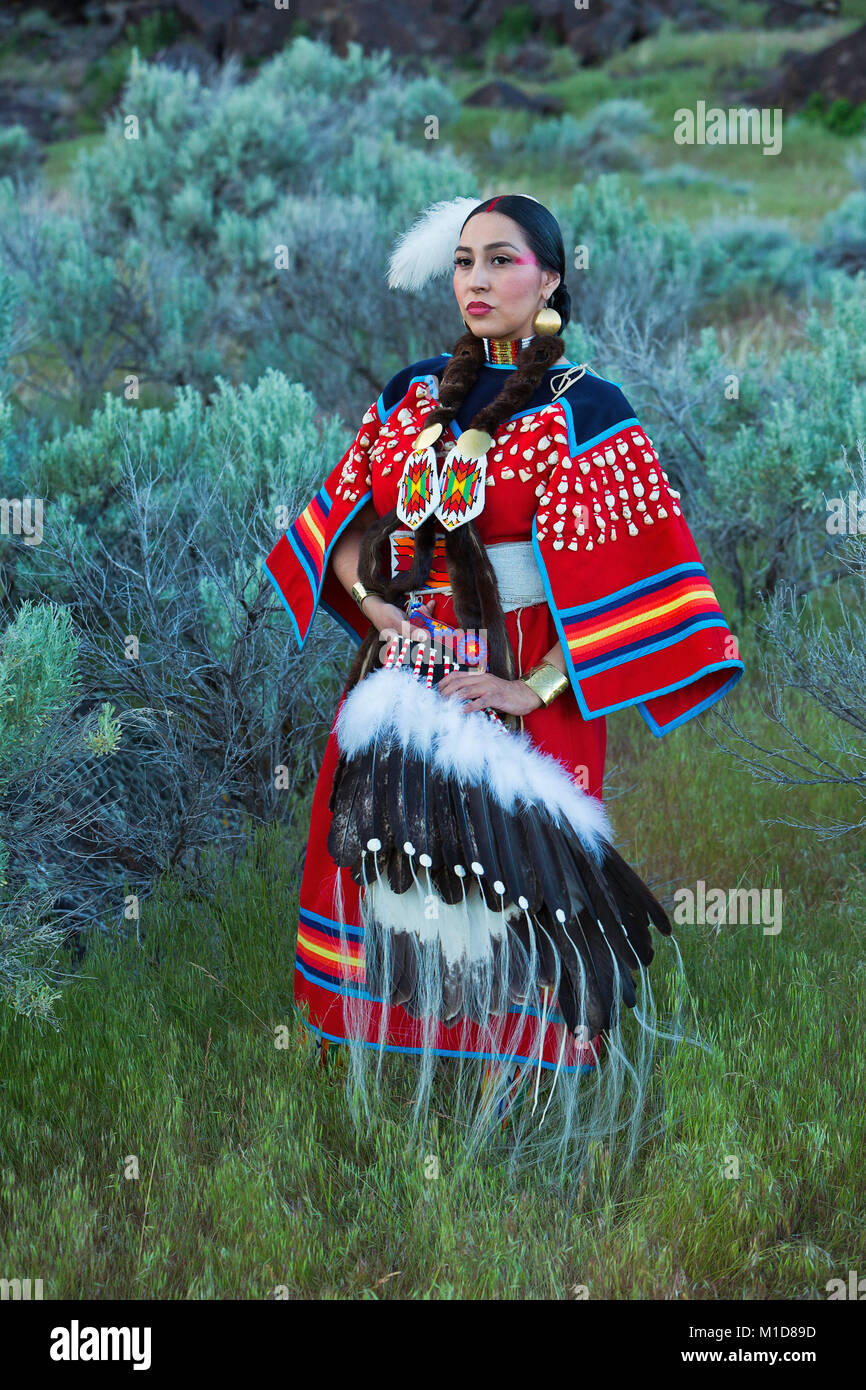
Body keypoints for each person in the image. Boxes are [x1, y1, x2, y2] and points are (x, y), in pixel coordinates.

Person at [264, 194, 744, 1184]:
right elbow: (345, 524)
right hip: (406, 677)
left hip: (520, 681)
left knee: (513, 878)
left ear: (550, 277)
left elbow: (635, 567)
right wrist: (379, 610)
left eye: (502, 261)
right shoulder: (409, 395)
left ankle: (516, 1095)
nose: (477, 281)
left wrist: (532, 688)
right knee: (397, 868)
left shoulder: (584, 409)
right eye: (464, 263)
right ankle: (394, 1055)